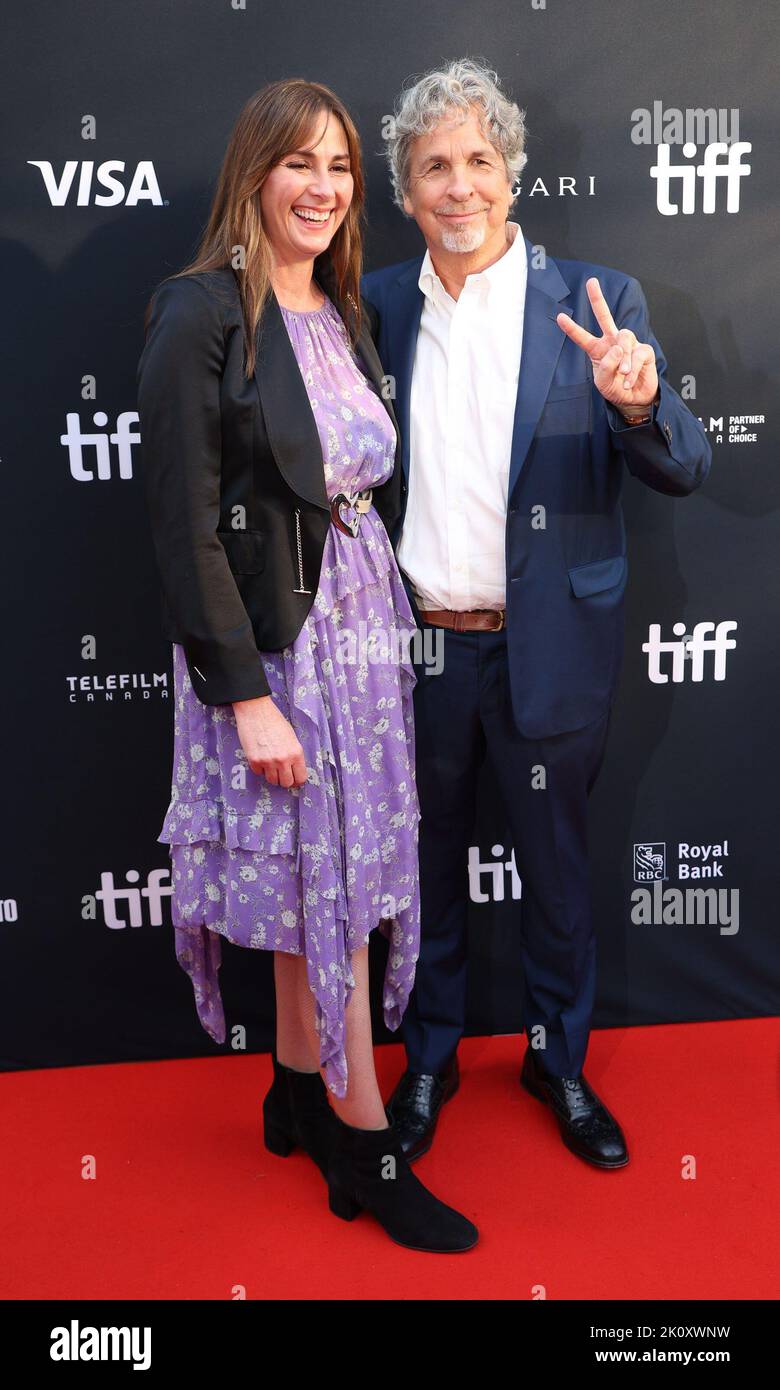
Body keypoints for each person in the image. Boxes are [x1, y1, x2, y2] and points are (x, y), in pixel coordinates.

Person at [136, 78, 477, 1253]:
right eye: (300, 163)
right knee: (319, 887)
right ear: (254, 173)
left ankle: (295, 1090)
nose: (325, 186)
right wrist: (243, 699)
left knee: (316, 890)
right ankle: (369, 1136)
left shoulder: (340, 309)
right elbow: (183, 529)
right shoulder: (201, 314)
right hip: (275, 659)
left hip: (360, 645)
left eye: (340, 165)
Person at [361, 58, 712, 1167]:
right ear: (405, 192)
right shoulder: (370, 308)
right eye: (432, 168)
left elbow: (687, 467)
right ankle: (427, 1057)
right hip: (417, 648)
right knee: (422, 870)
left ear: (511, 172)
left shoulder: (596, 303)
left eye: (477, 160)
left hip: (549, 646)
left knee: (558, 874)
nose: (458, 186)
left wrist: (642, 398)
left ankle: (559, 1061)